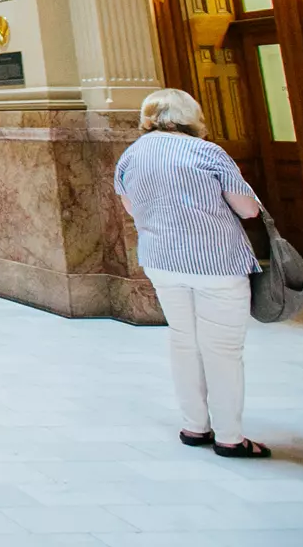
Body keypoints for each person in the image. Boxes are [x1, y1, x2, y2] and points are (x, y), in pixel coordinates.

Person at [114, 88, 267, 458]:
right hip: (215, 261)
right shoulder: (206, 152)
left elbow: (131, 207)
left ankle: (194, 425)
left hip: (162, 260)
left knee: (183, 341)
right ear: (191, 116)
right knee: (223, 349)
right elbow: (247, 209)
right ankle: (230, 436)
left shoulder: (131, 155)